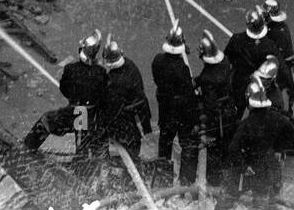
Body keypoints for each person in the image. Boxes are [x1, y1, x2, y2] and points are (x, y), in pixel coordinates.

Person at [23, 29, 106, 154]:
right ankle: (84, 163)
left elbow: (65, 90)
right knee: (84, 143)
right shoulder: (101, 72)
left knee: (46, 121)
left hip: (74, 114)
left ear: (81, 50)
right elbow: (104, 95)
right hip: (93, 117)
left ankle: (27, 148)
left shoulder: (70, 69)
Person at [226, 78, 294, 201]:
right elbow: (292, 135)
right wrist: (280, 149)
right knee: (272, 198)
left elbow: (233, 148)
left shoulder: (246, 124)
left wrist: (243, 167)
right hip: (273, 166)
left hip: (254, 169)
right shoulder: (278, 118)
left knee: (257, 198)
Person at [151, 24, 200, 185]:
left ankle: (163, 181)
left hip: (165, 111)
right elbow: (188, 96)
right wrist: (194, 119)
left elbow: (158, 80)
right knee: (188, 146)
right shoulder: (182, 68)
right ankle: (186, 182)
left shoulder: (157, 60)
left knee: (164, 145)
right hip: (181, 115)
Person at [194, 29, 239, 186]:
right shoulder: (224, 61)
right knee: (228, 146)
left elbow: (210, 105)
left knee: (215, 150)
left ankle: (215, 182)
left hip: (218, 119)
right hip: (230, 110)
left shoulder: (208, 79)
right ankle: (229, 178)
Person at [101, 35, 151, 161]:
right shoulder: (130, 64)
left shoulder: (112, 81)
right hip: (137, 110)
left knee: (126, 150)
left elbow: (111, 110)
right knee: (134, 144)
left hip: (123, 121)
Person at [224, 6, 280, 116]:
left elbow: (226, 59)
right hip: (260, 86)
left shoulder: (236, 39)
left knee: (237, 113)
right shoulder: (269, 45)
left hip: (239, 84)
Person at [262, 0, 294, 111]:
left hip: (281, 71)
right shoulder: (281, 26)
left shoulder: (274, 31)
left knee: (279, 102)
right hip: (285, 68)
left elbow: (270, 52)